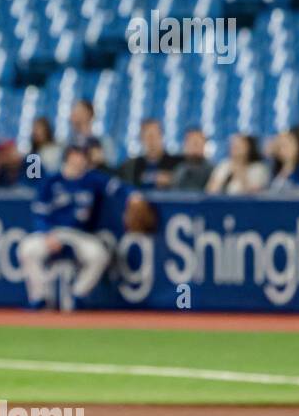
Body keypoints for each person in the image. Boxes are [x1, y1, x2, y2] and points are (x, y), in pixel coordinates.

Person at [18, 144, 137, 310]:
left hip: (79, 234)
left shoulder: (91, 178)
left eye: (82, 156)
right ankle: (39, 297)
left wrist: (133, 196)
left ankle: (77, 295)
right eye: (75, 155)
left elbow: (117, 187)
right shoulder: (52, 180)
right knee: (26, 249)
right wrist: (46, 233)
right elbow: (39, 214)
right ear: (67, 158)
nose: (79, 160)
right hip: (54, 232)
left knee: (99, 255)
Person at [118, 118, 180, 188]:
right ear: (141, 139)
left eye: (154, 136)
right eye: (147, 136)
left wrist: (173, 180)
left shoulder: (178, 164)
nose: (151, 141)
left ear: (161, 137)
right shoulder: (131, 166)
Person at [206, 133, 270, 195]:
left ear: (248, 146)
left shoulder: (258, 168)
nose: (235, 147)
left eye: (239, 144)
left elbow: (256, 196)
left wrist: (240, 174)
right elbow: (210, 191)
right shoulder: (224, 165)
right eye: (233, 144)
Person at [266, 130, 299, 194]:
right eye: (281, 147)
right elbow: (271, 191)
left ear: (295, 146)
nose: (285, 150)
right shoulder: (274, 169)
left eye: (287, 145)